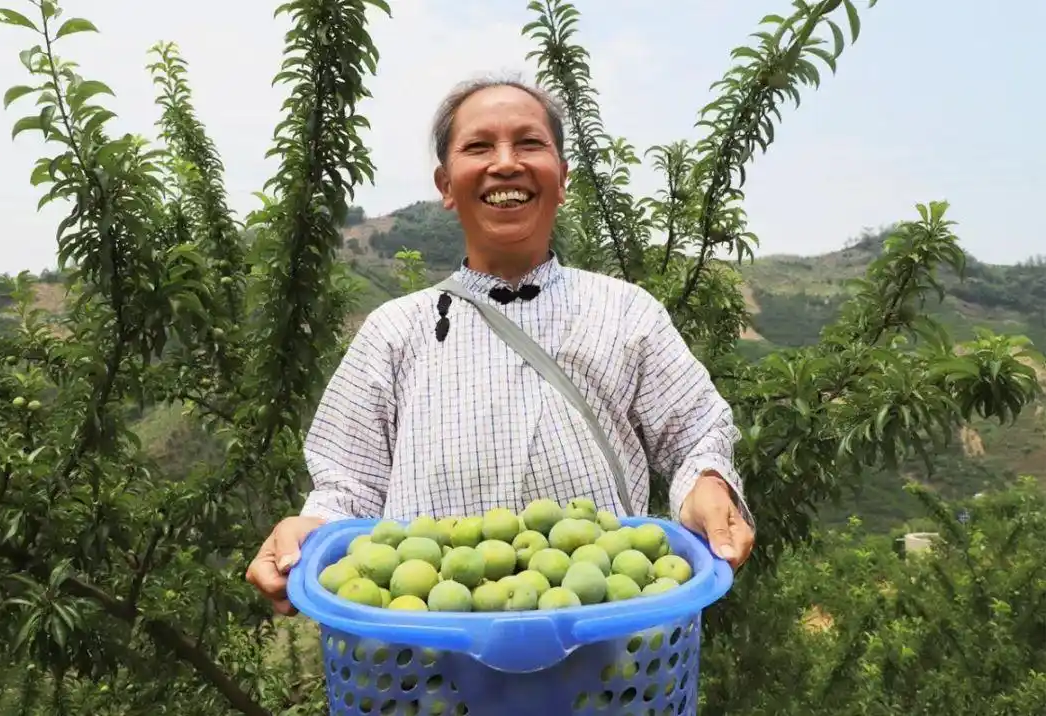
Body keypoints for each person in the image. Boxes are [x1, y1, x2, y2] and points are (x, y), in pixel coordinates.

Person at [247, 77, 755, 616]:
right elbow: (346, 488)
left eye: (530, 143)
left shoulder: (626, 312)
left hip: (601, 633)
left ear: (562, 179)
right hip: (428, 644)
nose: (506, 163)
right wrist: (308, 534)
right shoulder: (393, 332)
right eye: (479, 146)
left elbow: (696, 434)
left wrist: (708, 484)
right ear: (446, 185)